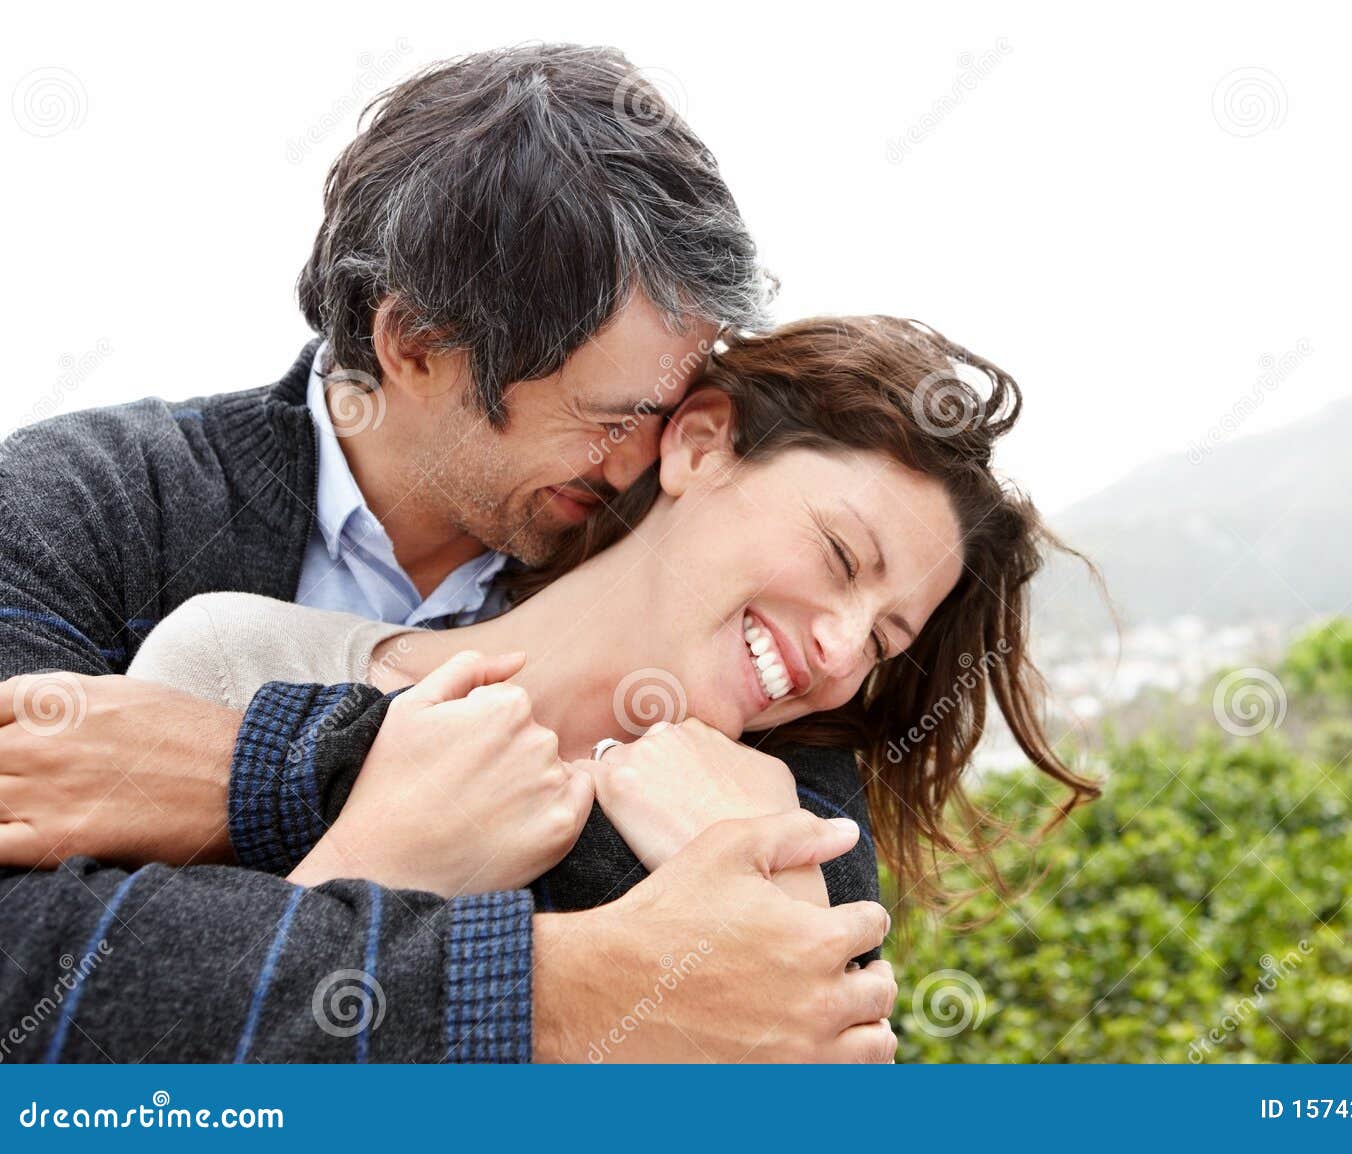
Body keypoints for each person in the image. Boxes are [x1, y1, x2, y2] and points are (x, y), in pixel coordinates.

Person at [0, 43, 896, 1063]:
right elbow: (25, 970)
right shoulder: (87, 500)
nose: (639, 459)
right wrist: (563, 992)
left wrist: (252, 775)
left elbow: (810, 1000)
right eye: (609, 416)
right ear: (416, 344)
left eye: (668, 405)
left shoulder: (711, 601)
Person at [111, 317, 1102, 922]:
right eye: (842, 556)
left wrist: (773, 901)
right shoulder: (237, 661)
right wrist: (383, 860)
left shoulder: (796, 832)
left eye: (884, 641)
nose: (840, 651)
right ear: (701, 445)